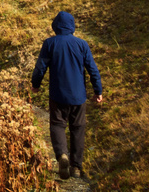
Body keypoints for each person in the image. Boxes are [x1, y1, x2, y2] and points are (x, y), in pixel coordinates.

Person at [31, 11, 103, 180]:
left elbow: (40, 67)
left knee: (57, 125)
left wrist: (36, 84)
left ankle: (62, 154)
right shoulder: (82, 44)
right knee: (78, 128)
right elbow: (92, 69)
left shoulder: (50, 43)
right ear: (72, 26)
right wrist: (98, 91)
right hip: (79, 96)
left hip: (58, 95)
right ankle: (76, 167)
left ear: (55, 26)